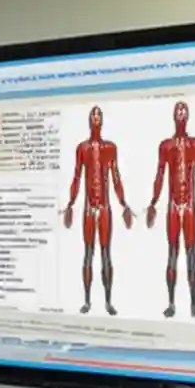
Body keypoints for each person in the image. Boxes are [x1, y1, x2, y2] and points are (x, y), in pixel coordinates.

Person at [145, 99, 195, 320]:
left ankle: (193, 305)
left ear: (187, 115)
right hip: (173, 206)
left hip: (189, 205)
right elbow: (160, 176)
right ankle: (171, 303)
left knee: (191, 253)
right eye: (177, 109)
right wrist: (153, 203)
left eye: (184, 109)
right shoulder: (166, 146)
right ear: (174, 115)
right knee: (172, 254)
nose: (181, 112)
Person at [60, 105, 134, 316]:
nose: (96, 118)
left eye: (99, 115)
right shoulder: (82, 148)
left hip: (104, 208)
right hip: (88, 208)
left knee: (105, 253)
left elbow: (116, 177)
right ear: (89, 120)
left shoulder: (110, 148)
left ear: (102, 120)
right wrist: (71, 203)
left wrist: (123, 203)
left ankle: (108, 301)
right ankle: (87, 300)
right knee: (88, 253)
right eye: (93, 115)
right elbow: (76, 176)